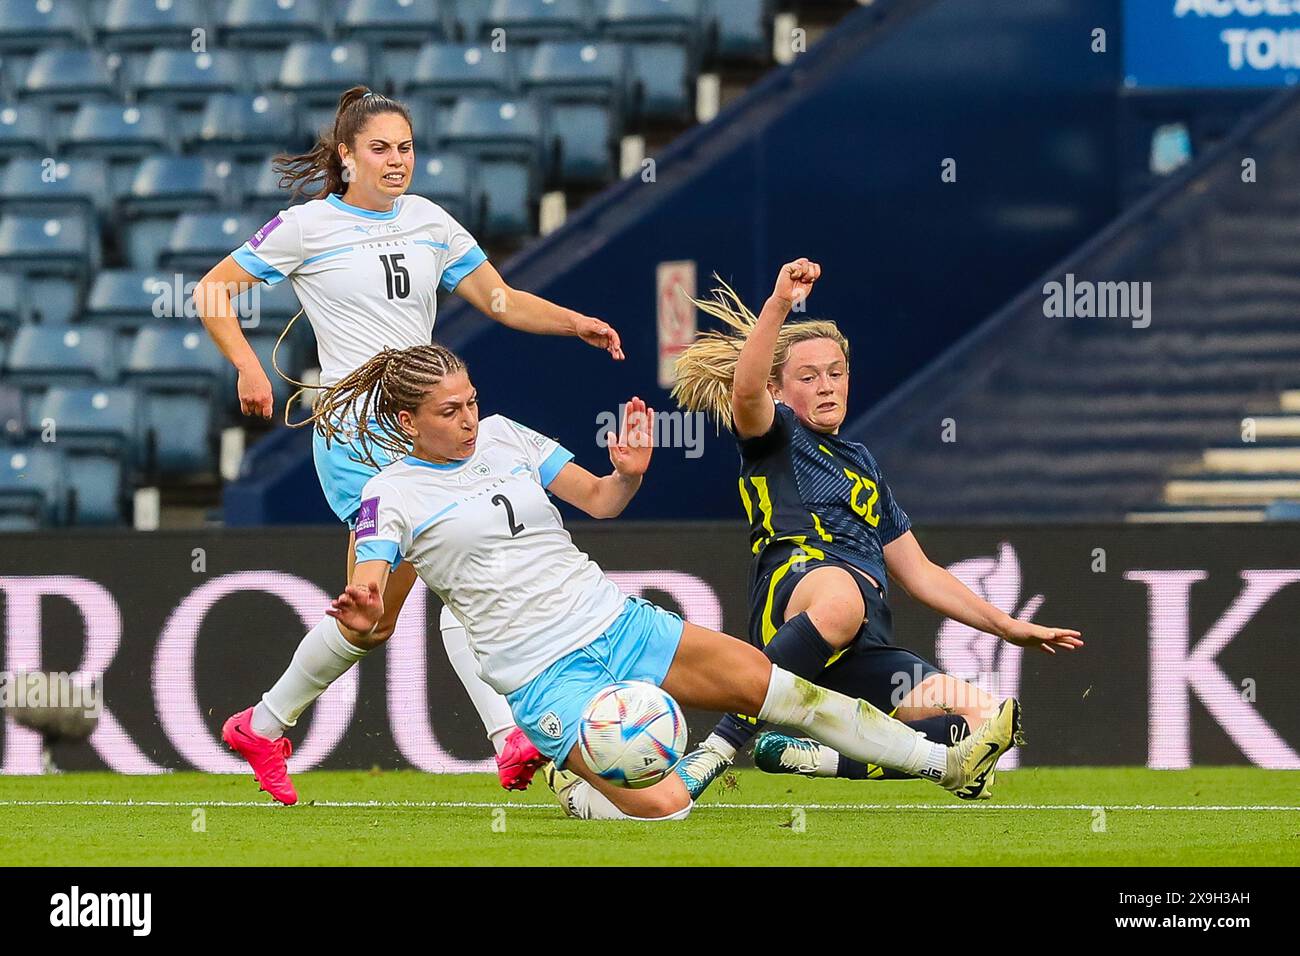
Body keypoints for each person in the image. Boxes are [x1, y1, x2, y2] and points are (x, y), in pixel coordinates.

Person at [319, 342, 1021, 822]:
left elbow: (598, 501)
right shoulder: (390, 494)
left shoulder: (506, 434)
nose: (469, 418)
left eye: (471, 400)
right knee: (667, 811)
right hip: (540, 673)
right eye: (450, 411)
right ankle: (581, 781)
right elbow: (374, 589)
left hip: (617, 623)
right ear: (408, 422)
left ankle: (946, 763)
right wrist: (363, 604)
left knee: (782, 692)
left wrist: (624, 475)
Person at [193, 87, 624, 804]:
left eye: (406, 147)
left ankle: (263, 724)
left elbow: (501, 300)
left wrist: (572, 321)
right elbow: (213, 291)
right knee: (453, 570)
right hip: (356, 434)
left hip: (421, 427)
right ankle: (509, 737)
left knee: (386, 614)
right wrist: (246, 364)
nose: (397, 161)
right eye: (381, 149)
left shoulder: (429, 221)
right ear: (346, 156)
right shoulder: (307, 226)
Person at [668, 258, 1083, 799]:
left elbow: (921, 574)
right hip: (800, 597)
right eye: (808, 376)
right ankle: (720, 748)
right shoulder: (775, 432)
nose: (826, 387)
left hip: (861, 649)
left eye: (835, 373)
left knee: (979, 723)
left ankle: (815, 759)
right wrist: (778, 305)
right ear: (778, 388)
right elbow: (745, 394)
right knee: (843, 600)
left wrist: (1007, 627)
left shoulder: (862, 462)